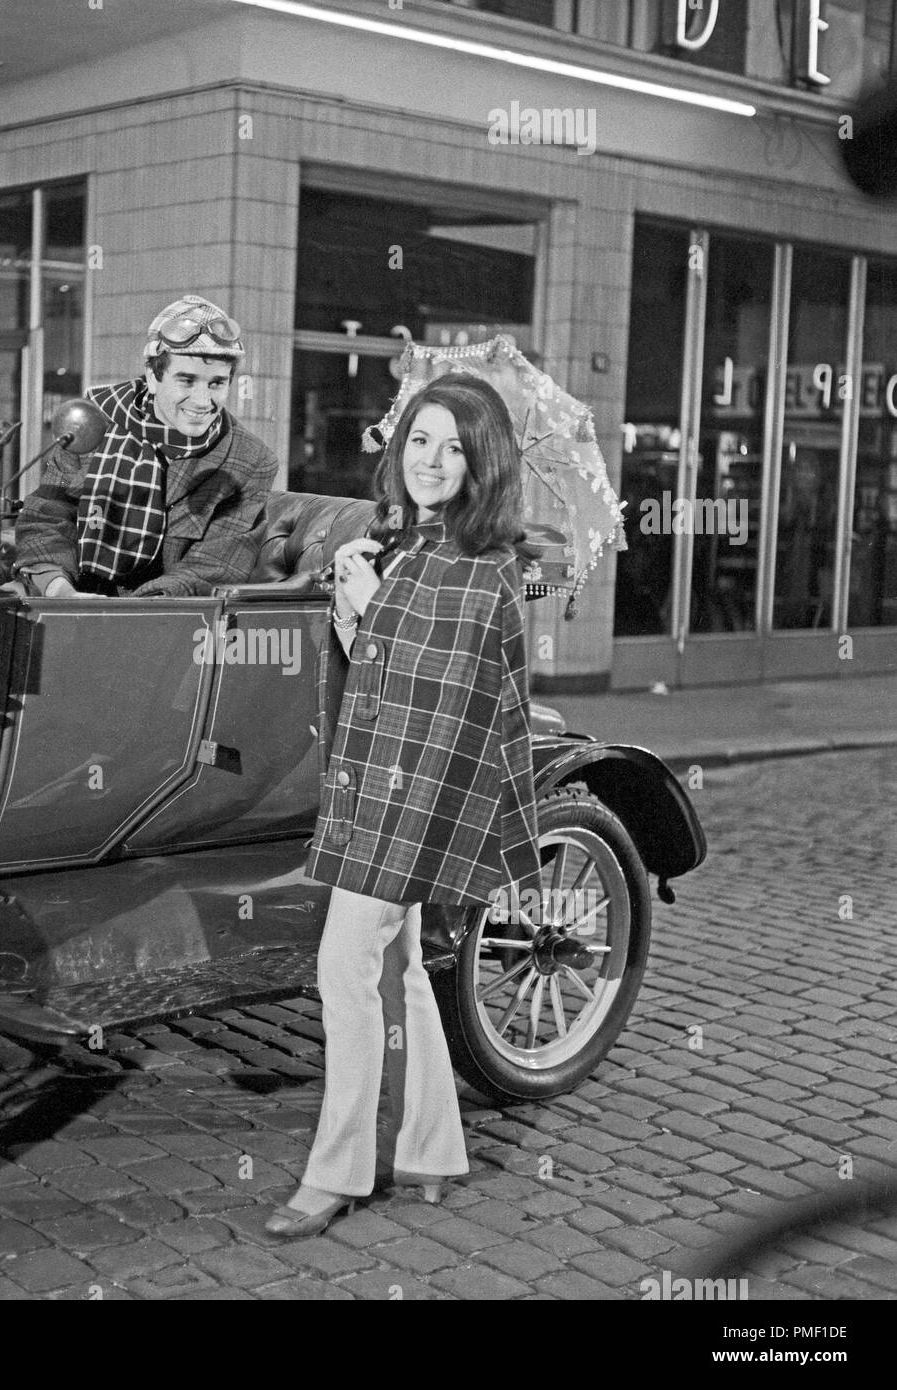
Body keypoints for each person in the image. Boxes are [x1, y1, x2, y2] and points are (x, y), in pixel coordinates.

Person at [266, 376, 542, 1238]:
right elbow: (383, 675)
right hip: (380, 777)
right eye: (420, 441)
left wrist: (368, 607)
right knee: (404, 970)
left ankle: (337, 1171)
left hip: (418, 795)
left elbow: (449, 691)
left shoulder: (485, 570)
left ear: (482, 464)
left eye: (454, 447)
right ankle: (429, 1147)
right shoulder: (407, 547)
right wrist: (356, 610)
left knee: (345, 967)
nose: (431, 461)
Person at [11, 295, 278, 598]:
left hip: (162, 620)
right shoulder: (89, 425)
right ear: (153, 376)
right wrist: (60, 591)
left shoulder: (251, 460)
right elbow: (46, 517)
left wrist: (123, 614)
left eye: (216, 383)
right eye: (187, 381)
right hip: (68, 599)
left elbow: (212, 568)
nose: (203, 401)